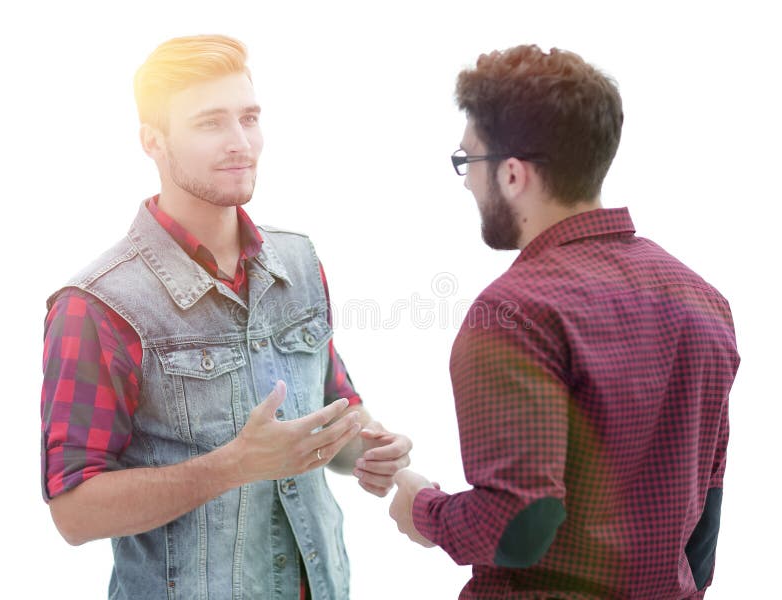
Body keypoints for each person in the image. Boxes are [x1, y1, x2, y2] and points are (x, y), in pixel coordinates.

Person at [41, 34, 411, 600]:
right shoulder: (97, 305)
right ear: (153, 141)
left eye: (249, 118)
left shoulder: (299, 261)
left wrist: (371, 448)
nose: (241, 143)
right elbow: (74, 511)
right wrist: (233, 465)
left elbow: (333, 407)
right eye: (210, 123)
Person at [389, 45, 739, 599]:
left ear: (512, 174)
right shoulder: (703, 300)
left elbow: (517, 528)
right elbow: (706, 515)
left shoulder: (513, 314)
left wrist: (422, 509)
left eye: (468, 162)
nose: (467, 183)